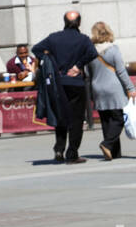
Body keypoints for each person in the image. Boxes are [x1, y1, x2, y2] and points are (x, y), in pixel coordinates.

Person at [32, 11, 98, 163]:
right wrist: (78, 66)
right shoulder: (83, 39)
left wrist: (51, 63)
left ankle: (59, 149)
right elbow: (92, 53)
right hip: (76, 83)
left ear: (64, 21)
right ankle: (72, 153)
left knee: (61, 116)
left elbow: (36, 49)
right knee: (76, 119)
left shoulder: (54, 37)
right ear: (79, 23)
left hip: (58, 82)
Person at [89, 21, 136, 160]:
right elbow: (121, 71)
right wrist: (131, 88)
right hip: (113, 88)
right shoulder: (113, 49)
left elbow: (88, 72)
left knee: (106, 120)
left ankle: (114, 152)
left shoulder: (90, 51)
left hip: (97, 87)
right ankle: (107, 144)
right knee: (118, 119)